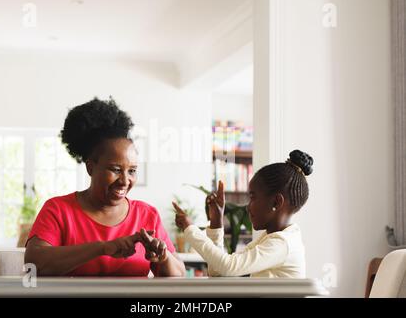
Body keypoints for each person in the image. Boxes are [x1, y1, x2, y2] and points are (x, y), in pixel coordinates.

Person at [25, 97, 185, 277]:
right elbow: (33, 264)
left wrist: (163, 257)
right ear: (90, 167)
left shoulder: (147, 215)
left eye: (132, 170)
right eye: (115, 169)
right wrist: (102, 248)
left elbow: (179, 276)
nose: (125, 180)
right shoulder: (59, 210)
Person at [173, 150, 313, 278]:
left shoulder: (282, 244)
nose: (247, 206)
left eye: (253, 197)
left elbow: (228, 267)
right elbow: (219, 271)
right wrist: (216, 222)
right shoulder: (270, 239)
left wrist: (190, 229)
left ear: (276, 202)